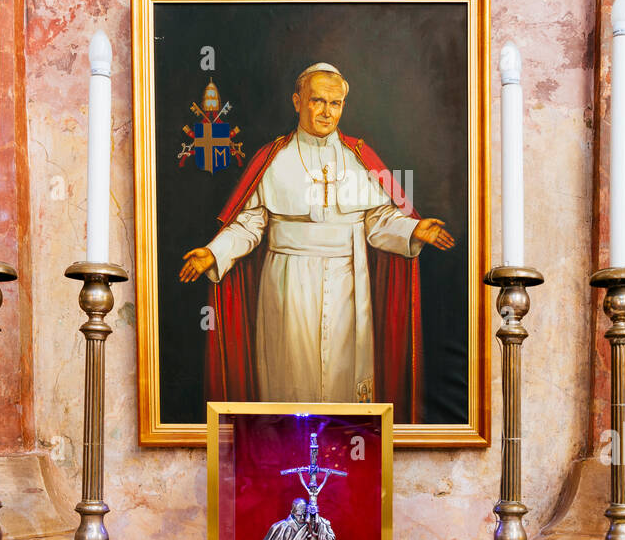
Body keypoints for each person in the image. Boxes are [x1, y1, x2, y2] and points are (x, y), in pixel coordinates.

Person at [178, 63, 453, 421]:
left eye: (335, 104)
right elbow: (249, 225)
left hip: (349, 284)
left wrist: (413, 230)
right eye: (317, 101)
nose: (327, 112)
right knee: (290, 374)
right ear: (297, 101)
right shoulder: (273, 159)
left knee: (344, 374)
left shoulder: (359, 157)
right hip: (287, 283)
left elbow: (378, 221)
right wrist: (213, 253)